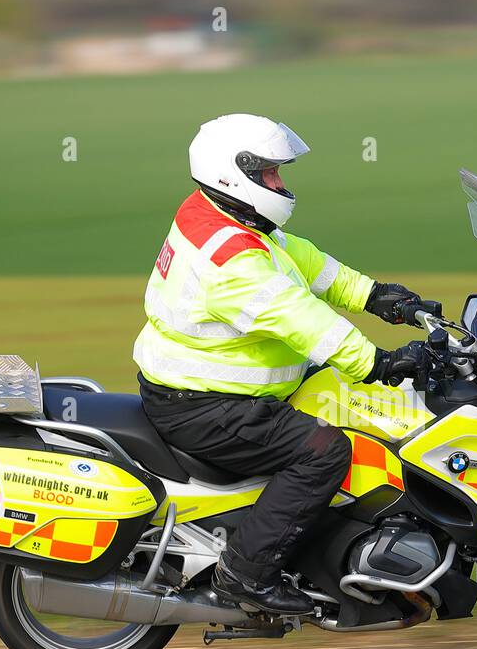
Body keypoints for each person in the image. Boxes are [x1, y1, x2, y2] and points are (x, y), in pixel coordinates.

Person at [134, 113, 438, 615]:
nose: (280, 183)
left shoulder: (222, 216)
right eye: (270, 173)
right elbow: (302, 319)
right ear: (235, 174)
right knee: (323, 451)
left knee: (357, 406)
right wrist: (380, 363)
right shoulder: (232, 262)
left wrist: (378, 296)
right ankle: (245, 575)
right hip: (206, 406)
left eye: (279, 172)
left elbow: (302, 262)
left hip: (204, 388)